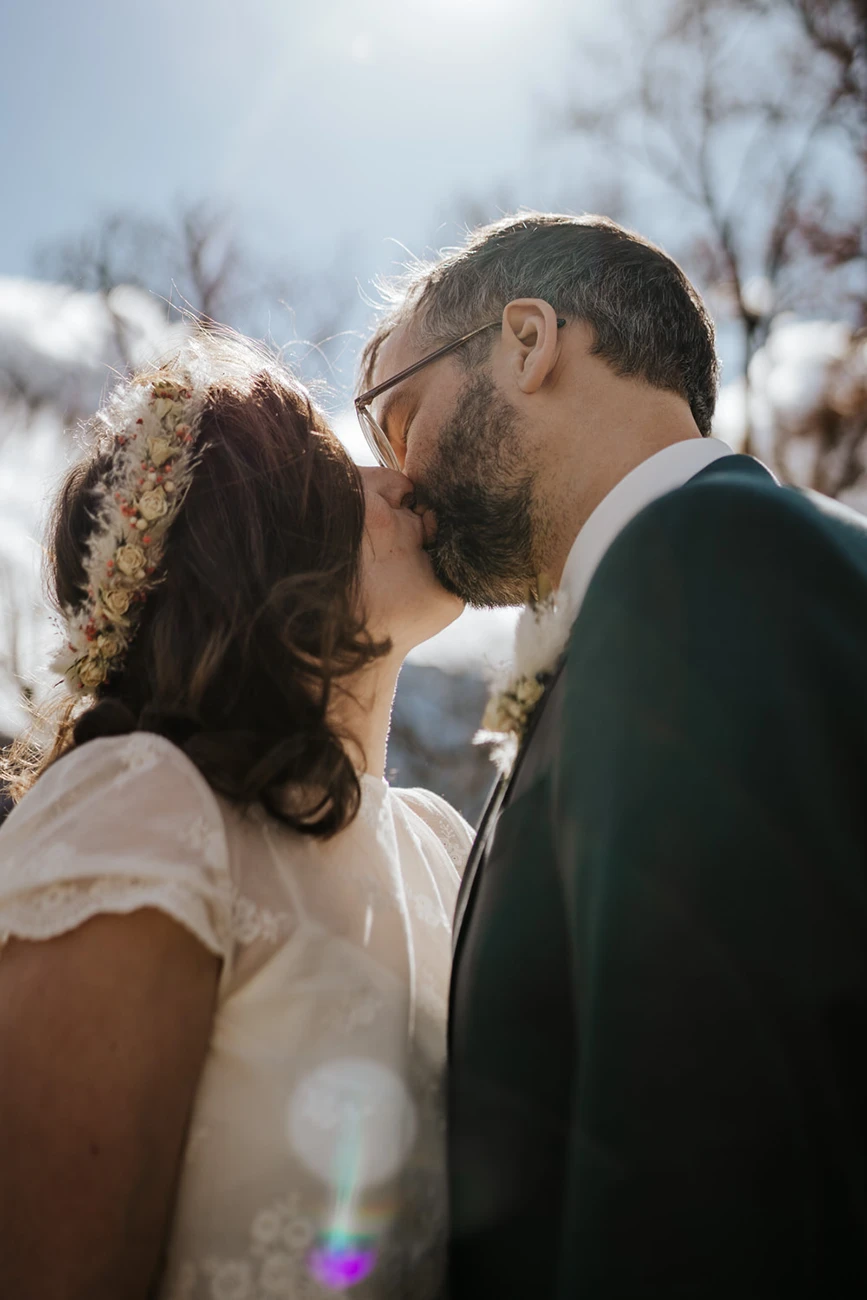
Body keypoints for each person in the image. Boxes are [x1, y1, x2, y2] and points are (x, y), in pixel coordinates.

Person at [355, 212, 867, 1298]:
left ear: (529, 341)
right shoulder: (669, 601)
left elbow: (717, 1158)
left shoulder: (705, 564)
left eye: (398, 421)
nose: (397, 478)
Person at [0, 334, 472, 1300]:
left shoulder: (444, 842)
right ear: (257, 552)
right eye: (339, 480)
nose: (397, 484)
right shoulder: (148, 809)